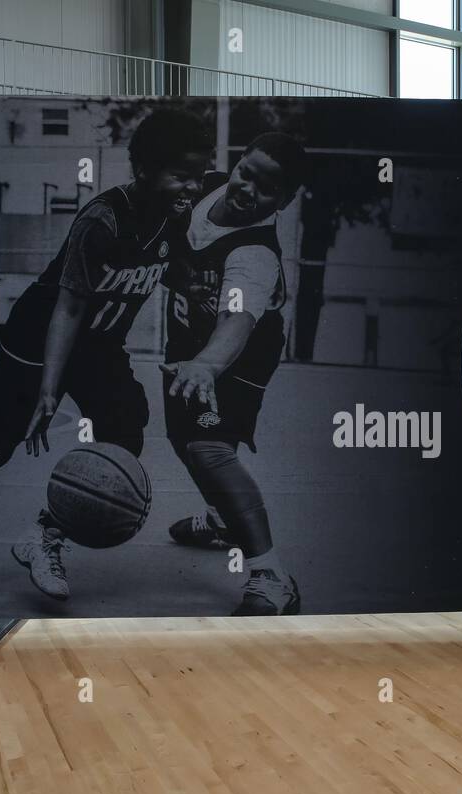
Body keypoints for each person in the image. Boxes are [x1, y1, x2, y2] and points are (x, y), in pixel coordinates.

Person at [0, 109, 213, 599]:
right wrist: (49, 390)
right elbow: (69, 309)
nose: (191, 187)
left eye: (197, 177)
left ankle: (44, 535)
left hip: (99, 347)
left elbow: (164, 263)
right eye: (181, 176)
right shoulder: (103, 219)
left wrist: (196, 285)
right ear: (144, 170)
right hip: (39, 336)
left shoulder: (174, 217)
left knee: (124, 431)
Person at [160, 132, 307, 616]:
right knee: (184, 439)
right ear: (237, 163)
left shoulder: (254, 256)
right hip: (189, 342)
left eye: (266, 188)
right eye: (247, 172)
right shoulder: (202, 190)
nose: (247, 188)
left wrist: (207, 364)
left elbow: (237, 322)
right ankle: (224, 522)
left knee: (210, 447)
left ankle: (271, 575)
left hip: (239, 354)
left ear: (282, 201)